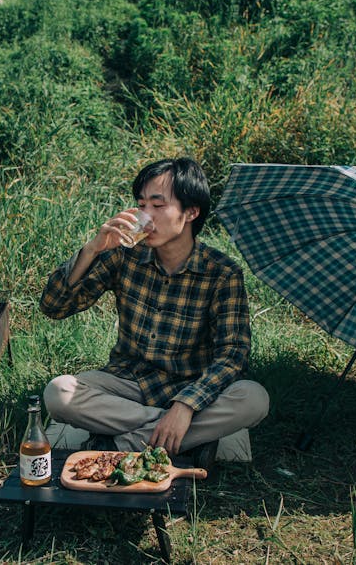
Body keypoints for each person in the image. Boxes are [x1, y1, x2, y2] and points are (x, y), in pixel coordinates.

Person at [39, 158, 269, 466]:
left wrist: (186, 406)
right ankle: (179, 439)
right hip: (127, 383)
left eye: (157, 206)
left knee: (254, 398)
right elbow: (54, 307)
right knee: (59, 393)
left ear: (191, 212)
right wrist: (92, 249)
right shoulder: (125, 254)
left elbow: (233, 354)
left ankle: (121, 443)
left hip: (190, 385)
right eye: (141, 205)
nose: (145, 216)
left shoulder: (222, 273)